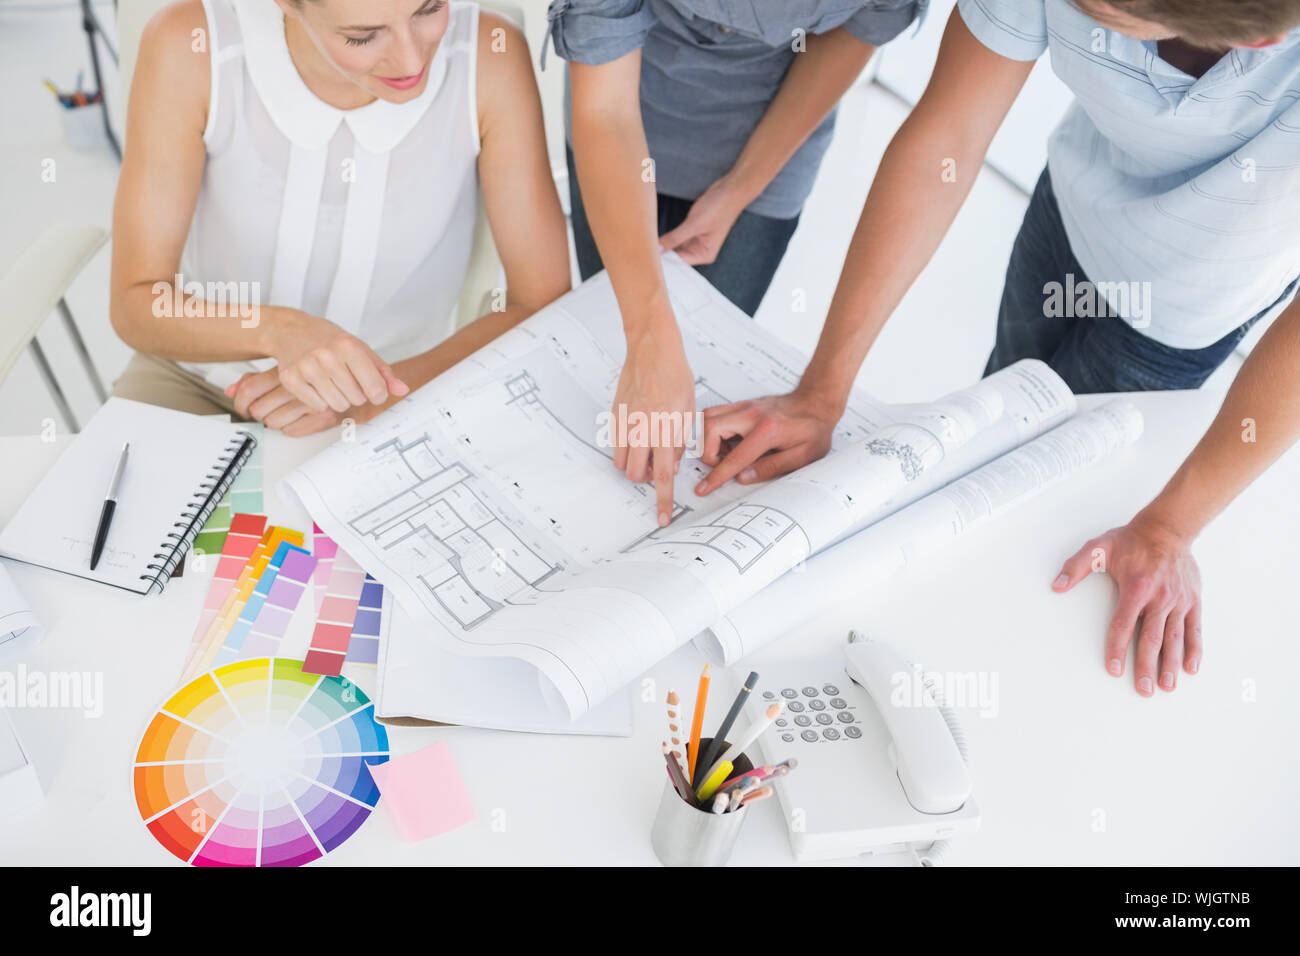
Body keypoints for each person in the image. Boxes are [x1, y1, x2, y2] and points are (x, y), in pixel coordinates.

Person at [694, 0, 1300, 696]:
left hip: (1190, 307)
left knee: (1044, 525)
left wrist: (1170, 526)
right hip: (1072, 212)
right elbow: (948, 133)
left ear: (1259, 39)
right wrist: (822, 389)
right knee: (991, 431)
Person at [110, 0, 569, 435]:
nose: (412, 62)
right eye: (363, 36)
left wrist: (371, 396)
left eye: (429, 8)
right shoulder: (192, 45)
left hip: (403, 390)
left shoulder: (490, 57)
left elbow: (539, 301)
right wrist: (279, 331)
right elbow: (136, 304)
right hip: (200, 381)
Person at [546, 0, 923, 526]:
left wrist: (743, 185)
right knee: (619, 353)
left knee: (705, 374)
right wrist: (649, 333)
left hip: (773, 132)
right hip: (623, 105)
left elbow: (857, 28)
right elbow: (605, 111)